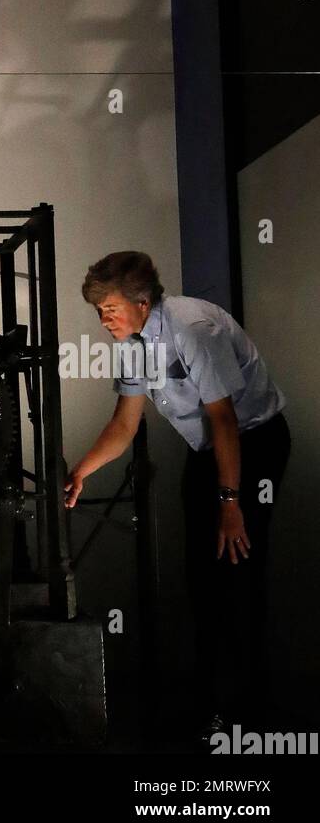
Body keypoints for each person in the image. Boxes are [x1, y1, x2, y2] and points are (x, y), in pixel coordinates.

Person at [64, 250, 291, 742]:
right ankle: (210, 706)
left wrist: (230, 504)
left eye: (110, 308)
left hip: (253, 443)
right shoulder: (130, 342)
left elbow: (226, 420)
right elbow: (125, 425)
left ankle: (248, 714)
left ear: (143, 303)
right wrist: (80, 472)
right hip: (210, 450)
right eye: (98, 310)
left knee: (238, 574)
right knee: (201, 578)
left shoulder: (193, 329)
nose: (104, 319)